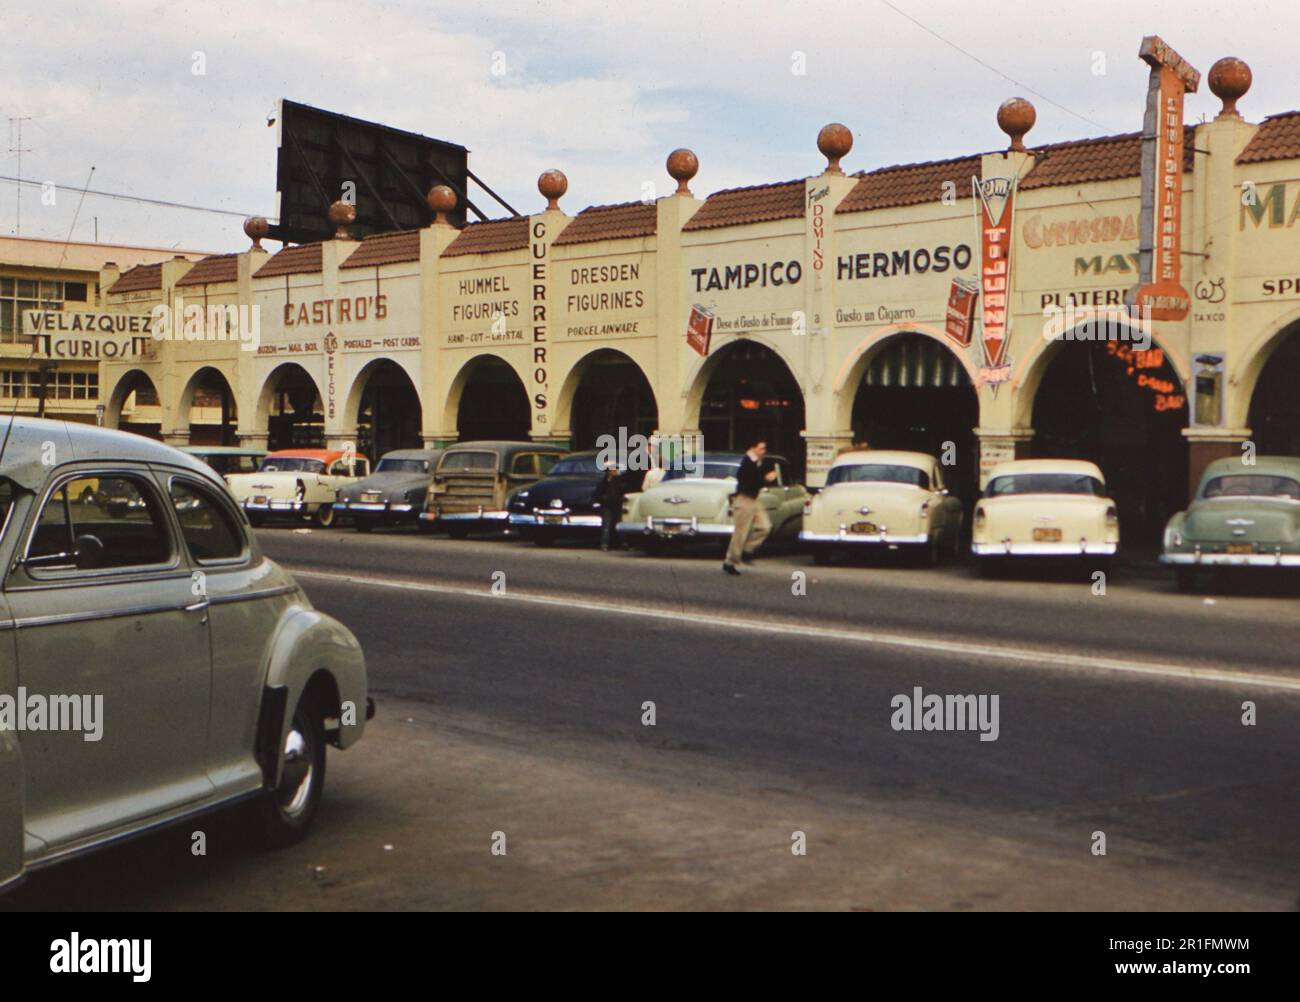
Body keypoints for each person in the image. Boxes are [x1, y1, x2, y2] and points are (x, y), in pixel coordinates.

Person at [723, 439, 777, 574]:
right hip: (744, 499)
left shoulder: (757, 462)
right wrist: (765, 478)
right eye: (760, 449)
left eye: (764, 449)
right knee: (740, 532)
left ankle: (747, 550)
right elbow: (747, 480)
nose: (763, 452)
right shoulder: (747, 462)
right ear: (753, 448)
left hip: (753, 499)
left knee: (765, 526)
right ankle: (730, 561)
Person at [594, 461, 625, 551]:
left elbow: (622, 491)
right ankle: (604, 544)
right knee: (606, 526)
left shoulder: (620, 481)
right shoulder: (603, 482)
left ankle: (623, 543)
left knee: (619, 525)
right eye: (613, 470)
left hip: (618, 506)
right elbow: (597, 494)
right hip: (607, 506)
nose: (615, 471)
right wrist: (604, 499)